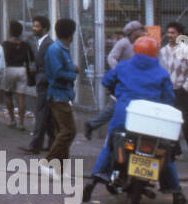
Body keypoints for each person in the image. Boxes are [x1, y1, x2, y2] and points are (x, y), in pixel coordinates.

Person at [83, 36, 187, 204]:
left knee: (110, 146)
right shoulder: (162, 73)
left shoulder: (123, 67)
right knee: (163, 151)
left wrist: (118, 91)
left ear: (135, 50)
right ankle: (176, 191)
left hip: (124, 116)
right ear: (155, 53)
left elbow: (106, 81)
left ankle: (94, 179)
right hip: (152, 120)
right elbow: (169, 99)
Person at [86, 19, 145, 139]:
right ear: (133, 31)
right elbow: (111, 58)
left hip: (135, 80)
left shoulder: (141, 43)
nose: (142, 32)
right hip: (123, 80)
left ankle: (93, 124)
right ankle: (95, 125)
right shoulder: (123, 43)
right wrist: (120, 71)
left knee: (116, 105)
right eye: (140, 30)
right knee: (116, 104)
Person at [160, 21, 188, 163]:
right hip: (166, 92)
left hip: (181, 91)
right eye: (168, 32)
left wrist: (185, 88)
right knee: (168, 122)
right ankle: (176, 151)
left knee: (186, 123)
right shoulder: (162, 52)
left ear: (180, 34)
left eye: (173, 33)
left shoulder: (186, 51)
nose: (170, 35)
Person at [44, 18, 78, 165]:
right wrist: (73, 73)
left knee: (63, 132)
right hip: (59, 95)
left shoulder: (62, 49)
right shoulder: (56, 49)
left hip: (63, 94)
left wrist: (72, 69)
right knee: (68, 131)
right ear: (71, 34)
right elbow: (57, 73)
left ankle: (60, 167)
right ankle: (48, 161)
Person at [21, 16, 55, 154]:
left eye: (37, 26)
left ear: (44, 28)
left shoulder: (48, 44)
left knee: (41, 113)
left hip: (45, 82)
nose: (34, 29)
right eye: (34, 26)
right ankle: (52, 143)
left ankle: (35, 144)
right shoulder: (40, 42)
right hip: (42, 81)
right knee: (47, 114)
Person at [0, 21, 32, 129]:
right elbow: (31, 58)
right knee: (21, 97)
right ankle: (21, 123)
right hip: (22, 69)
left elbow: (2, 58)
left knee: (8, 95)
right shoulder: (25, 44)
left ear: (10, 31)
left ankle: (12, 120)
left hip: (9, 69)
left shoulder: (5, 44)